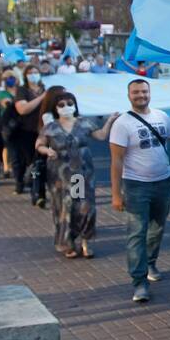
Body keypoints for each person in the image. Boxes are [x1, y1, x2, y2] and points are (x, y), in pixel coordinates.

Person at [109, 78, 170, 303]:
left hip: (163, 182)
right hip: (136, 185)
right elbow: (116, 161)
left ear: (150, 93)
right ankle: (139, 282)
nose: (141, 95)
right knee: (137, 233)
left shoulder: (160, 116)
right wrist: (116, 194)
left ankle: (150, 263)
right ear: (129, 96)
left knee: (157, 229)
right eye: (136, 92)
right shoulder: (122, 123)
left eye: (144, 91)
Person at [36, 92, 116, 258]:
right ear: (56, 108)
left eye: (69, 103)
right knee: (65, 207)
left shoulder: (84, 122)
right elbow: (39, 144)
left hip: (81, 174)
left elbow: (100, 135)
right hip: (60, 176)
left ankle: (85, 241)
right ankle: (68, 242)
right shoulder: (50, 127)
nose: (66, 107)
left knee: (84, 206)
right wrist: (47, 150)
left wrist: (110, 121)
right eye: (62, 104)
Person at [6, 64, 49, 198]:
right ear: (25, 76)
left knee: (43, 162)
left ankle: (40, 192)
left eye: (36, 72)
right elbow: (23, 109)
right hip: (27, 132)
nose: (33, 74)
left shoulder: (45, 88)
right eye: (30, 73)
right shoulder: (22, 90)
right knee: (30, 162)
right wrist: (41, 98)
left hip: (44, 131)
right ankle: (30, 188)